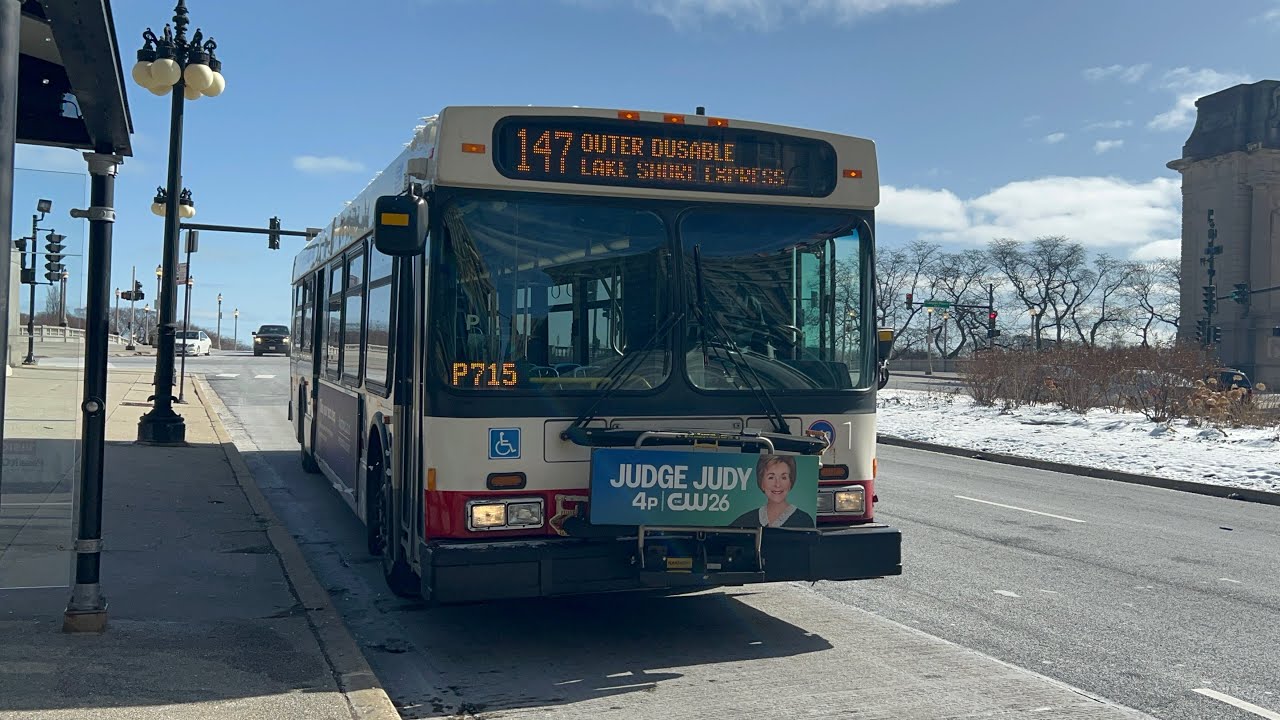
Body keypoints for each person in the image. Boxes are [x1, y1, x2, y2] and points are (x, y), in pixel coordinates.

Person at [729, 455, 814, 529]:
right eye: (771, 477)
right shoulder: (745, 520)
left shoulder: (804, 521)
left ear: (790, 482)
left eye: (783, 477)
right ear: (761, 482)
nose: (777, 484)